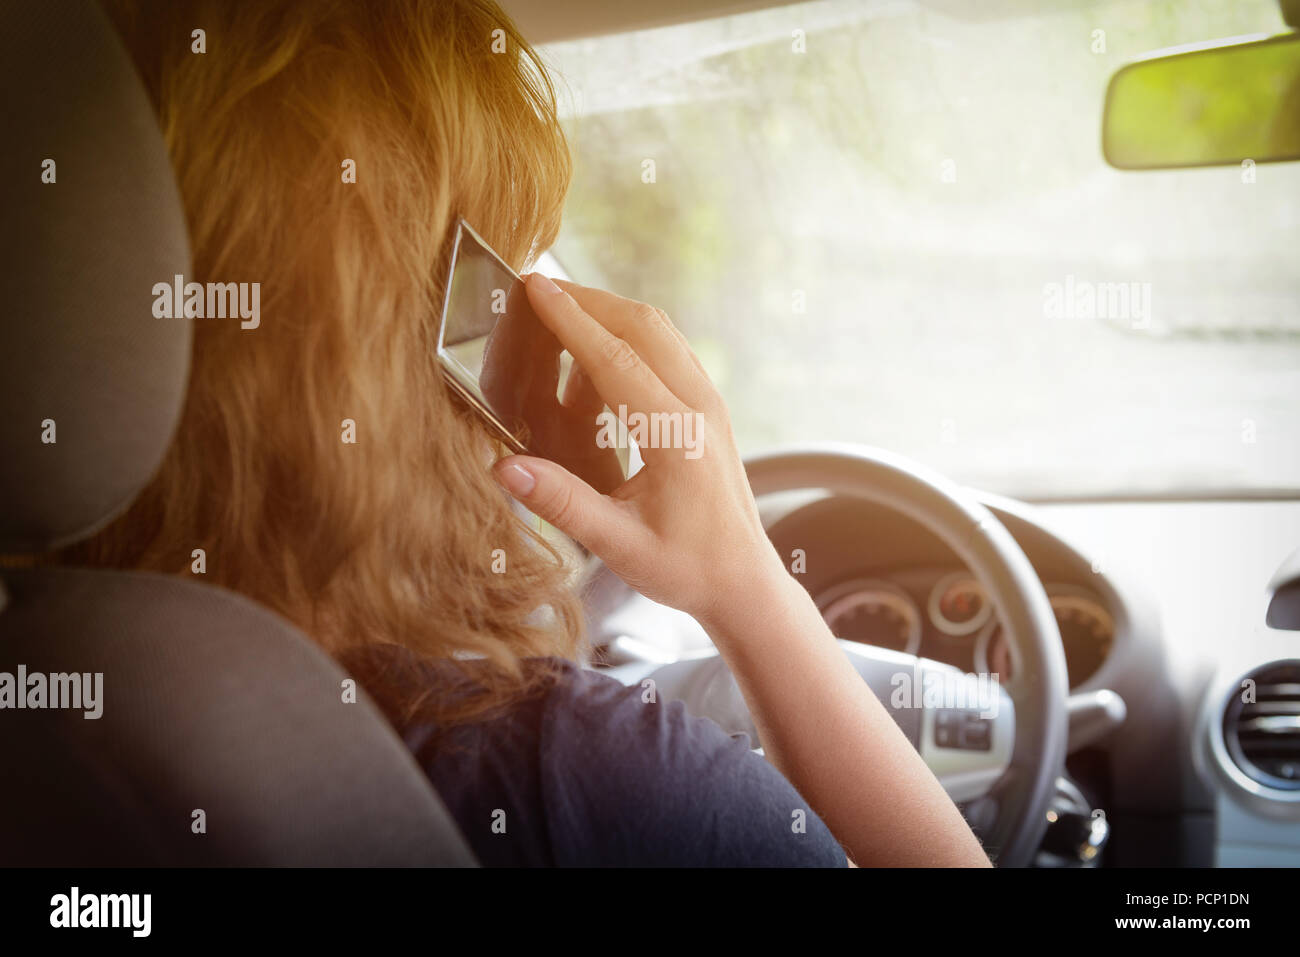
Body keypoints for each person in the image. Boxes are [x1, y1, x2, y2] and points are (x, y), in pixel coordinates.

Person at [77, 0, 989, 866]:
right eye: (495, 278)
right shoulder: (580, 778)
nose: (527, 318)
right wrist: (747, 585)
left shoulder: (64, 691)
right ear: (396, 363)